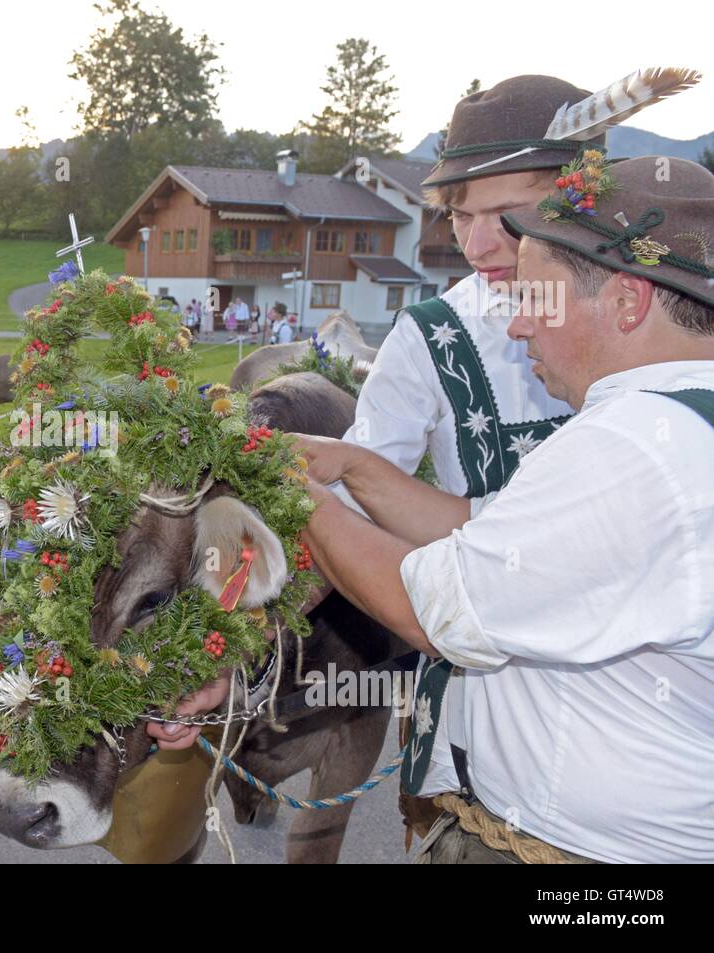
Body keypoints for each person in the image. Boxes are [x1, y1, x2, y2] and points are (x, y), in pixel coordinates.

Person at [289, 155, 714, 863]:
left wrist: (293, 491)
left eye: (538, 298)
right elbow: (490, 533)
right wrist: (357, 467)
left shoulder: (630, 446)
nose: (517, 327)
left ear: (628, 301)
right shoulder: (675, 423)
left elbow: (429, 608)